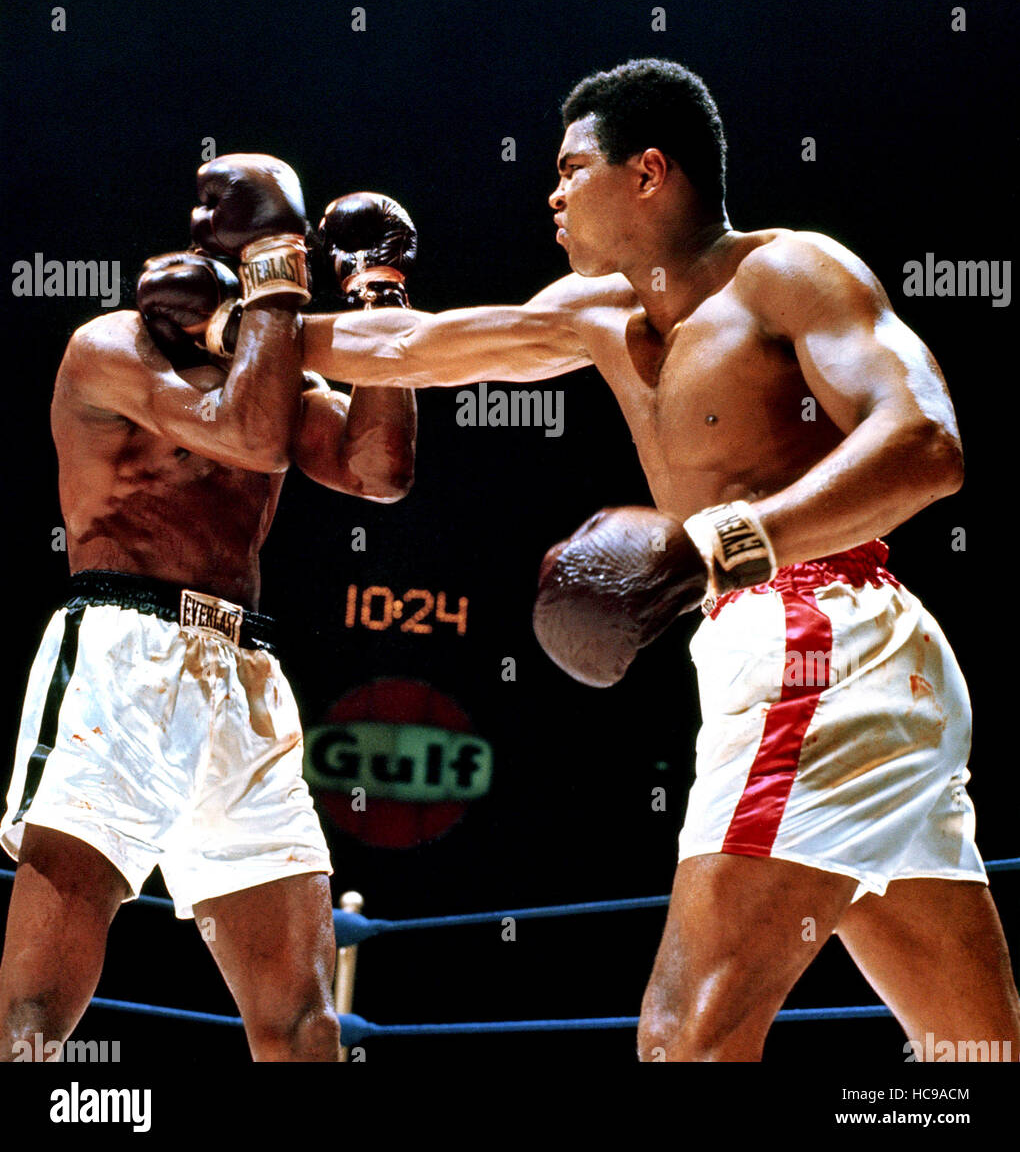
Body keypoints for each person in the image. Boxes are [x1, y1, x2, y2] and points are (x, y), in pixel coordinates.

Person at [300, 60, 1020, 1061]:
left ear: (648, 173)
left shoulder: (789, 273)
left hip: (819, 640)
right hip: (829, 663)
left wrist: (723, 541)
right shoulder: (594, 313)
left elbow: (927, 444)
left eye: (570, 169)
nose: (550, 193)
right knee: (969, 1054)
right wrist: (234, 324)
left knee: (684, 1039)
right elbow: (412, 348)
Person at [0, 155, 417, 1063]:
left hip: (245, 679)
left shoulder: (270, 363)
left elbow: (379, 471)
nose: (198, 223)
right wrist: (277, 269)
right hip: (121, 651)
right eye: (204, 207)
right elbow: (250, 436)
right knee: (39, 1012)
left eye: (221, 208)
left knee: (304, 1026)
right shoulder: (112, 347)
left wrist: (380, 295)